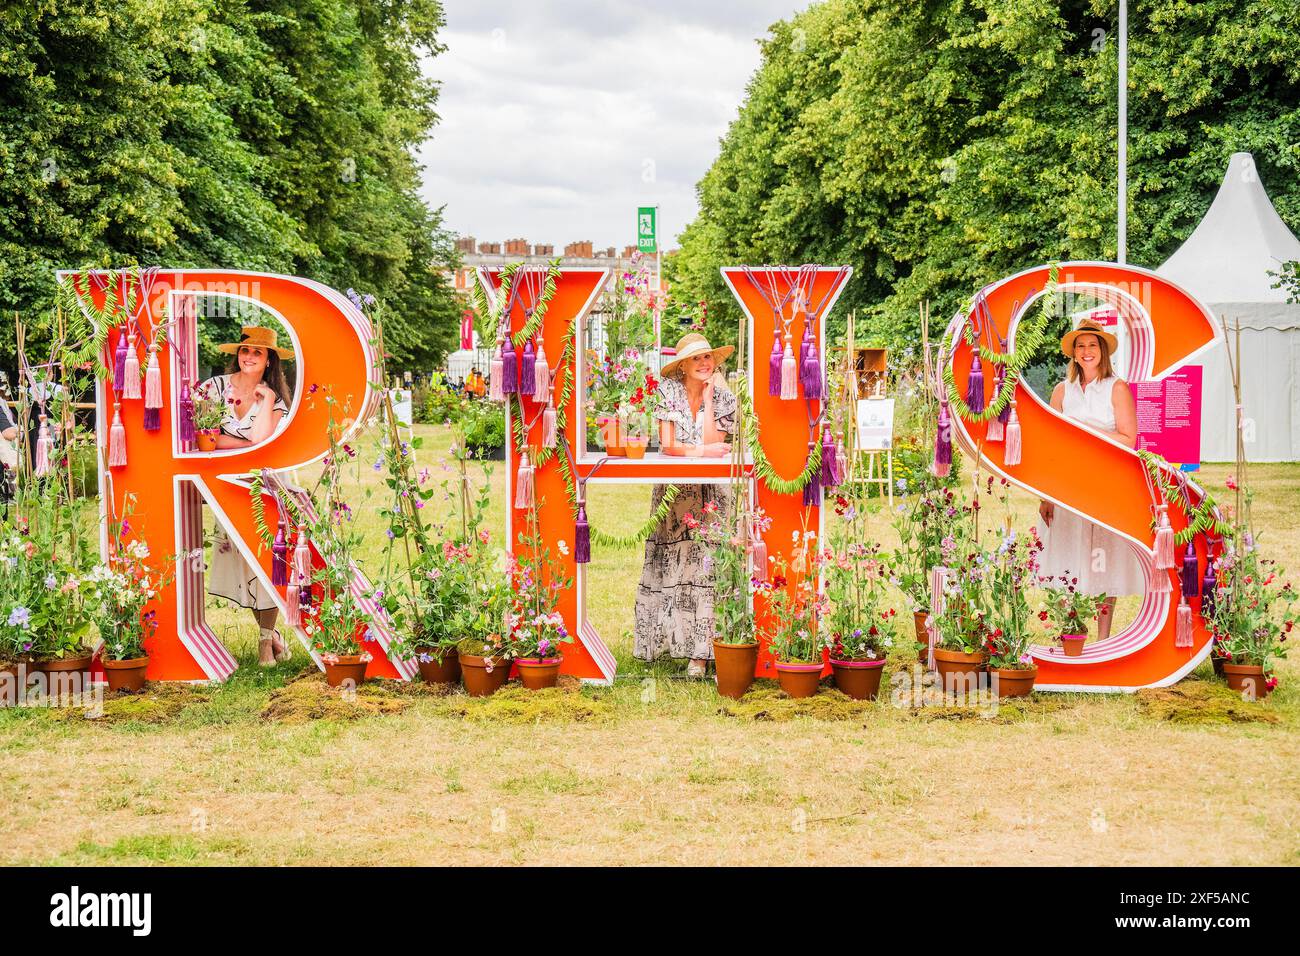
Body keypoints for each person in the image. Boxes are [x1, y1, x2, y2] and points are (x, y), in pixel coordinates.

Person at [633, 333, 736, 677]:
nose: (705, 364)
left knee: (709, 567)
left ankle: (705, 652)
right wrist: (700, 452)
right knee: (677, 565)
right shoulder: (668, 392)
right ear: (683, 366)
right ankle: (675, 642)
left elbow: (714, 443)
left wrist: (707, 398)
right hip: (675, 495)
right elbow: (667, 445)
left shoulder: (722, 396)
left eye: (708, 358)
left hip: (712, 495)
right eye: (697, 359)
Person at [1036, 318, 1144, 641]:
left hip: (1106, 483)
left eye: (1092, 345)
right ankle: (1071, 632)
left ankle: (1104, 638)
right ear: (1074, 352)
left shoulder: (1116, 387)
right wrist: (1046, 495)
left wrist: (1086, 432)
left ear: (1102, 351)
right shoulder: (1061, 391)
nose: (1086, 352)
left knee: (1103, 558)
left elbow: (1129, 438)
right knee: (1071, 555)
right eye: (1080, 346)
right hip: (1068, 486)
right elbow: (1050, 444)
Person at [196, 326, 295, 665]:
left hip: (263, 484)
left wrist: (265, 400)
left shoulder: (274, 399)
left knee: (265, 559)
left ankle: (266, 641)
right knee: (243, 561)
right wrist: (243, 447)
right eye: (245, 350)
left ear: (269, 361)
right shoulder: (212, 388)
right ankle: (274, 636)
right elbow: (205, 438)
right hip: (229, 483)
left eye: (258, 352)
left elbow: (263, 439)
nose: (249, 356)